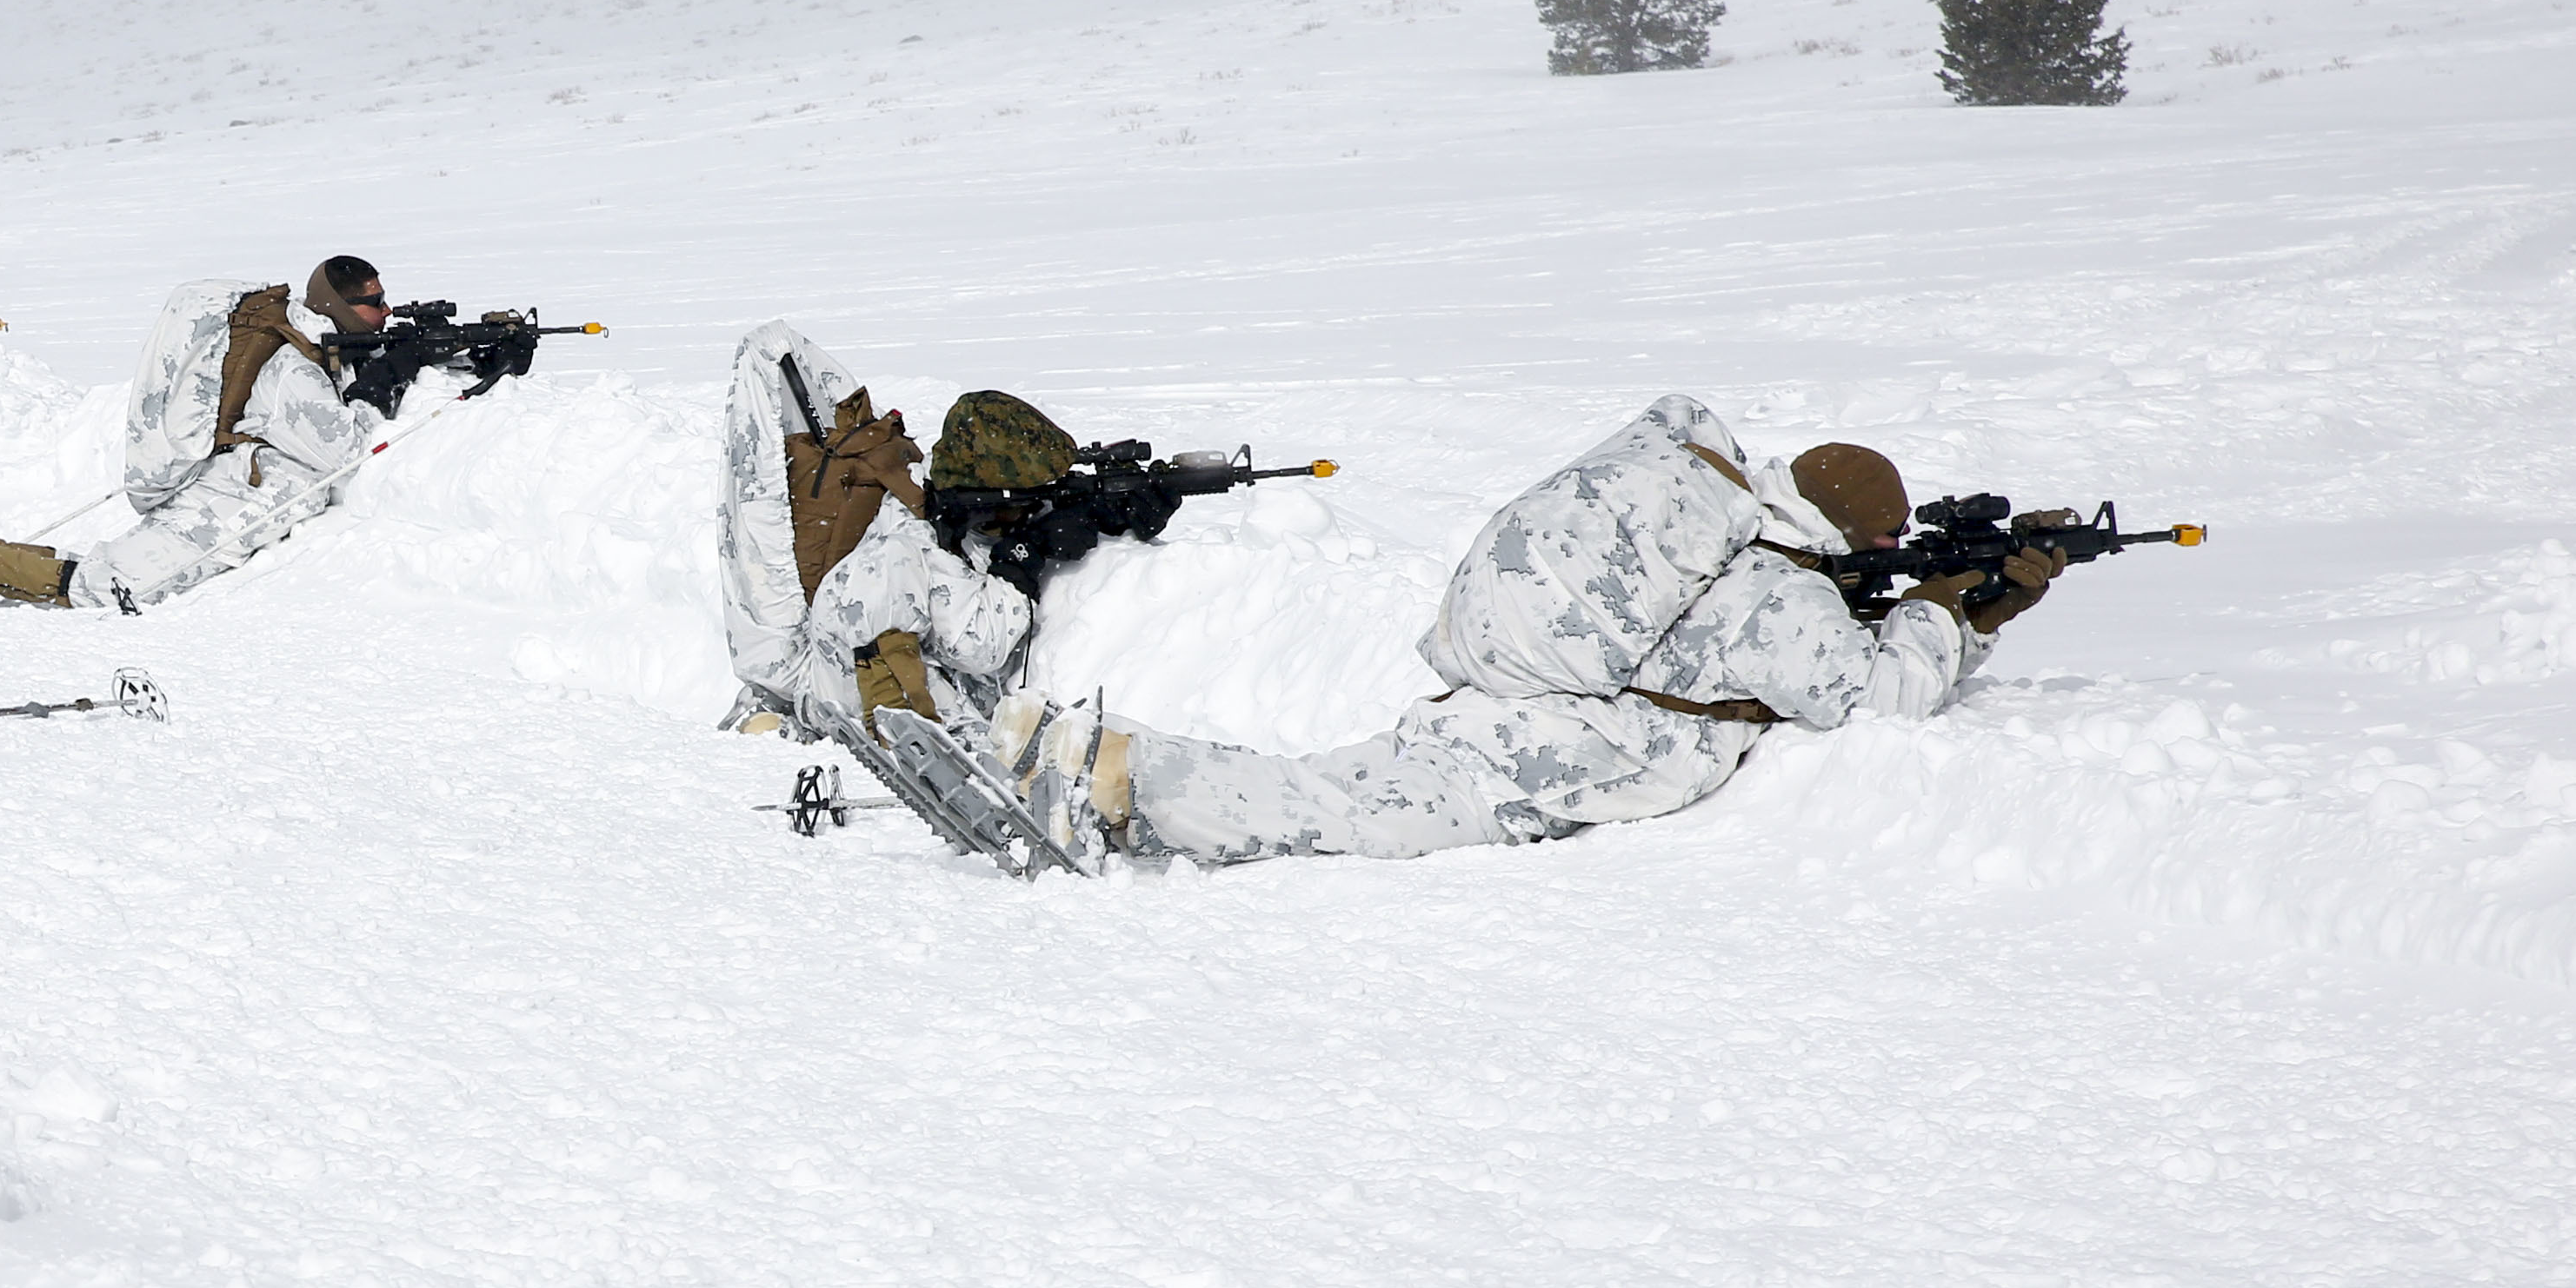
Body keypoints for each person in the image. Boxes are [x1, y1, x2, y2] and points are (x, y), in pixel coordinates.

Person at [994, 400, 2057, 871]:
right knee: (1326, 817)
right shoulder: (1781, 595)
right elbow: (1879, 697)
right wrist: (1952, 614)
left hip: (1508, 711)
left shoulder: (1720, 540)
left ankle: (1095, 757)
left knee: (1331, 787)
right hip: (1557, 756)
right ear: (1853, 531)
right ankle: (1113, 782)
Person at [0, 256, 389, 610]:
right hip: (237, 497)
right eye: (375, 303)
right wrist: (379, 392)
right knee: (113, 586)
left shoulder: (312, 348)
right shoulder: (295, 371)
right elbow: (344, 451)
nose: (386, 312)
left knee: (108, 573)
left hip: (236, 487)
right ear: (336, 309)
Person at [717, 323, 1046, 736]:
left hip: (805, 667)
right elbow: (978, 646)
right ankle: (905, 725)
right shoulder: (914, 534)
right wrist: (1020, 569)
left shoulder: (904, 497)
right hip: (838, 685)